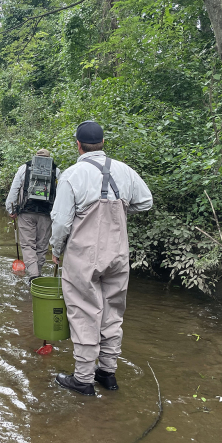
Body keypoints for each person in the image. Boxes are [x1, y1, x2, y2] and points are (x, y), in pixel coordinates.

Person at [49, 121, 152, 395]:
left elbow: (60, 223)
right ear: (103, 143)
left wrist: (56, 251)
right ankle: (107, 373)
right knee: (113, 312)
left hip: (83, 256)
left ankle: (83, 379)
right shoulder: (125, 171)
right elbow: (146, 202)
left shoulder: (72, 174)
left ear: (78, 145)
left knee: (84, 312)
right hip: (118, 253)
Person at [5, 149, 61, 281]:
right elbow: (60, 194)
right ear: (49, 159)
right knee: (42, 246)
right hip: (47, 213)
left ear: (35, 157)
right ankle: (38, 275)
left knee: (28, 245)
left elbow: (14, 189)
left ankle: (34, 275)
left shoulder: (24, 168)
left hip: (26, 212)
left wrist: (11, 209)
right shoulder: (56, 171)